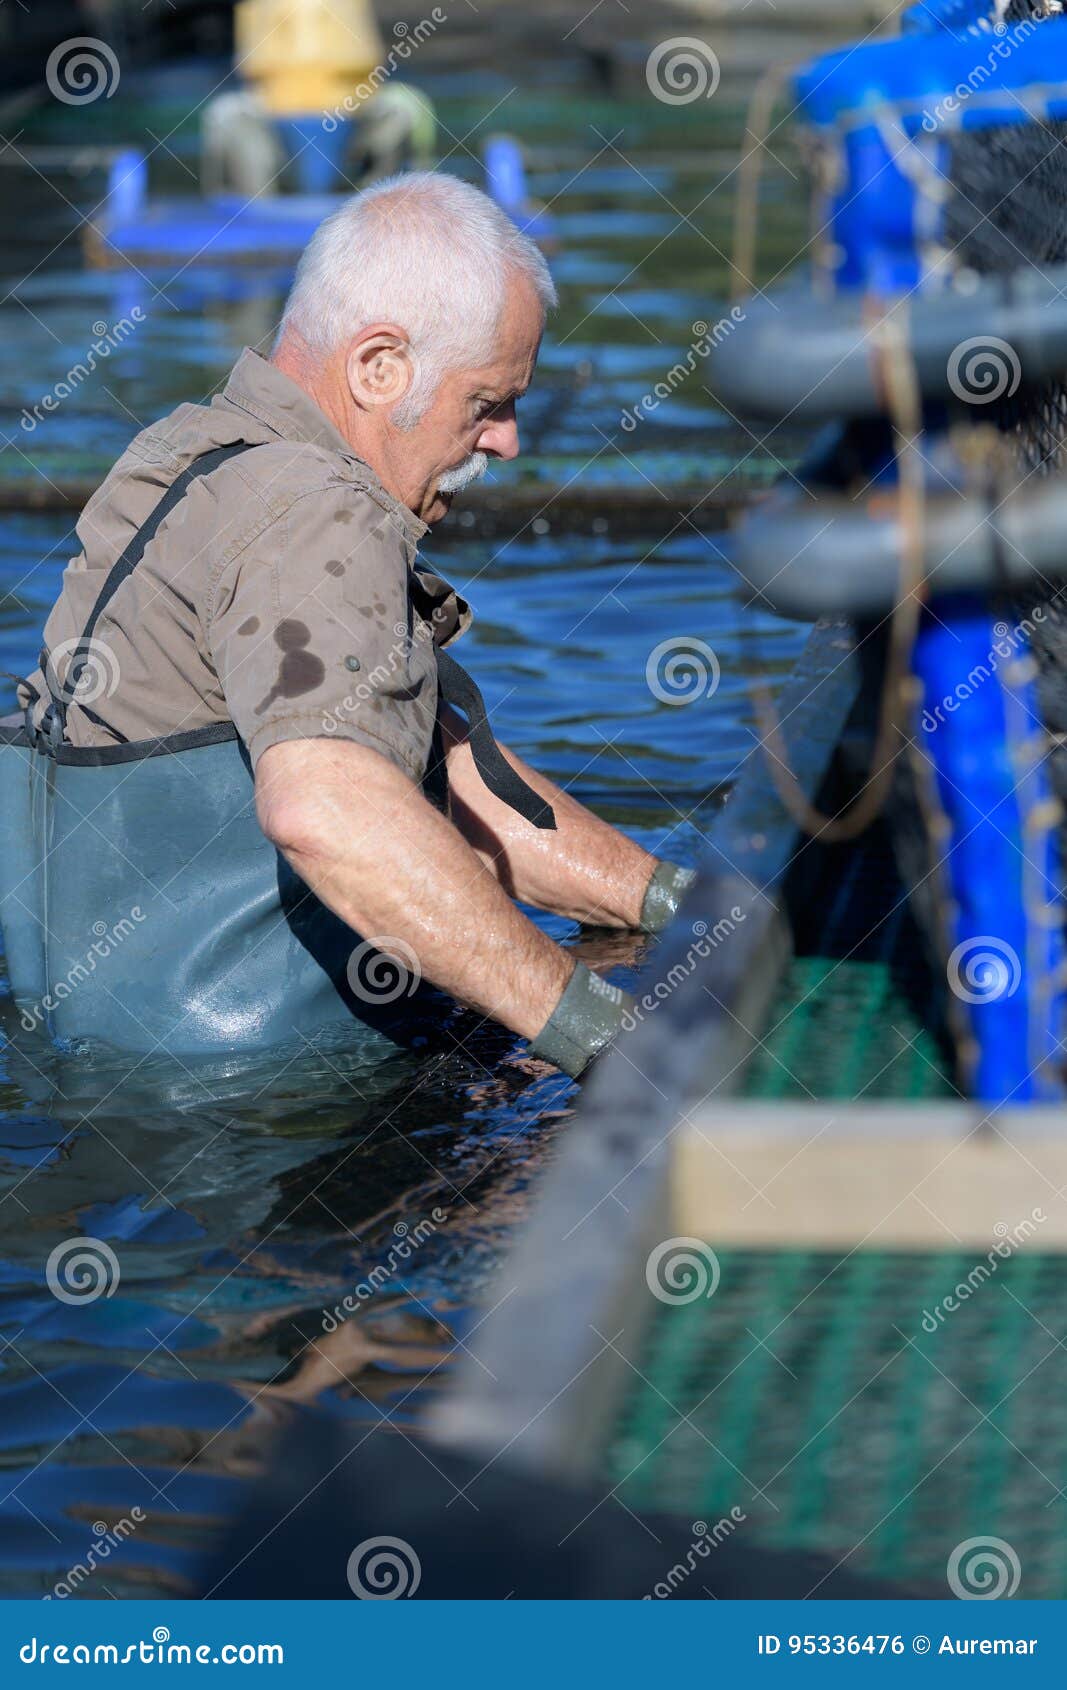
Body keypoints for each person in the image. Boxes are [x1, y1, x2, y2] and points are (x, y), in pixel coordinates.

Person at [2, 174, 692, 1075]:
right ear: (378, 366)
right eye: (487, 402)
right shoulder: (319, 510)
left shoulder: (185, 452)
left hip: (102, 1058)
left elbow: (454, 785)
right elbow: (327, 808)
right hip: (264, 1107)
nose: (508, 440)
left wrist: (680, 904)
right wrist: (614, 1043)